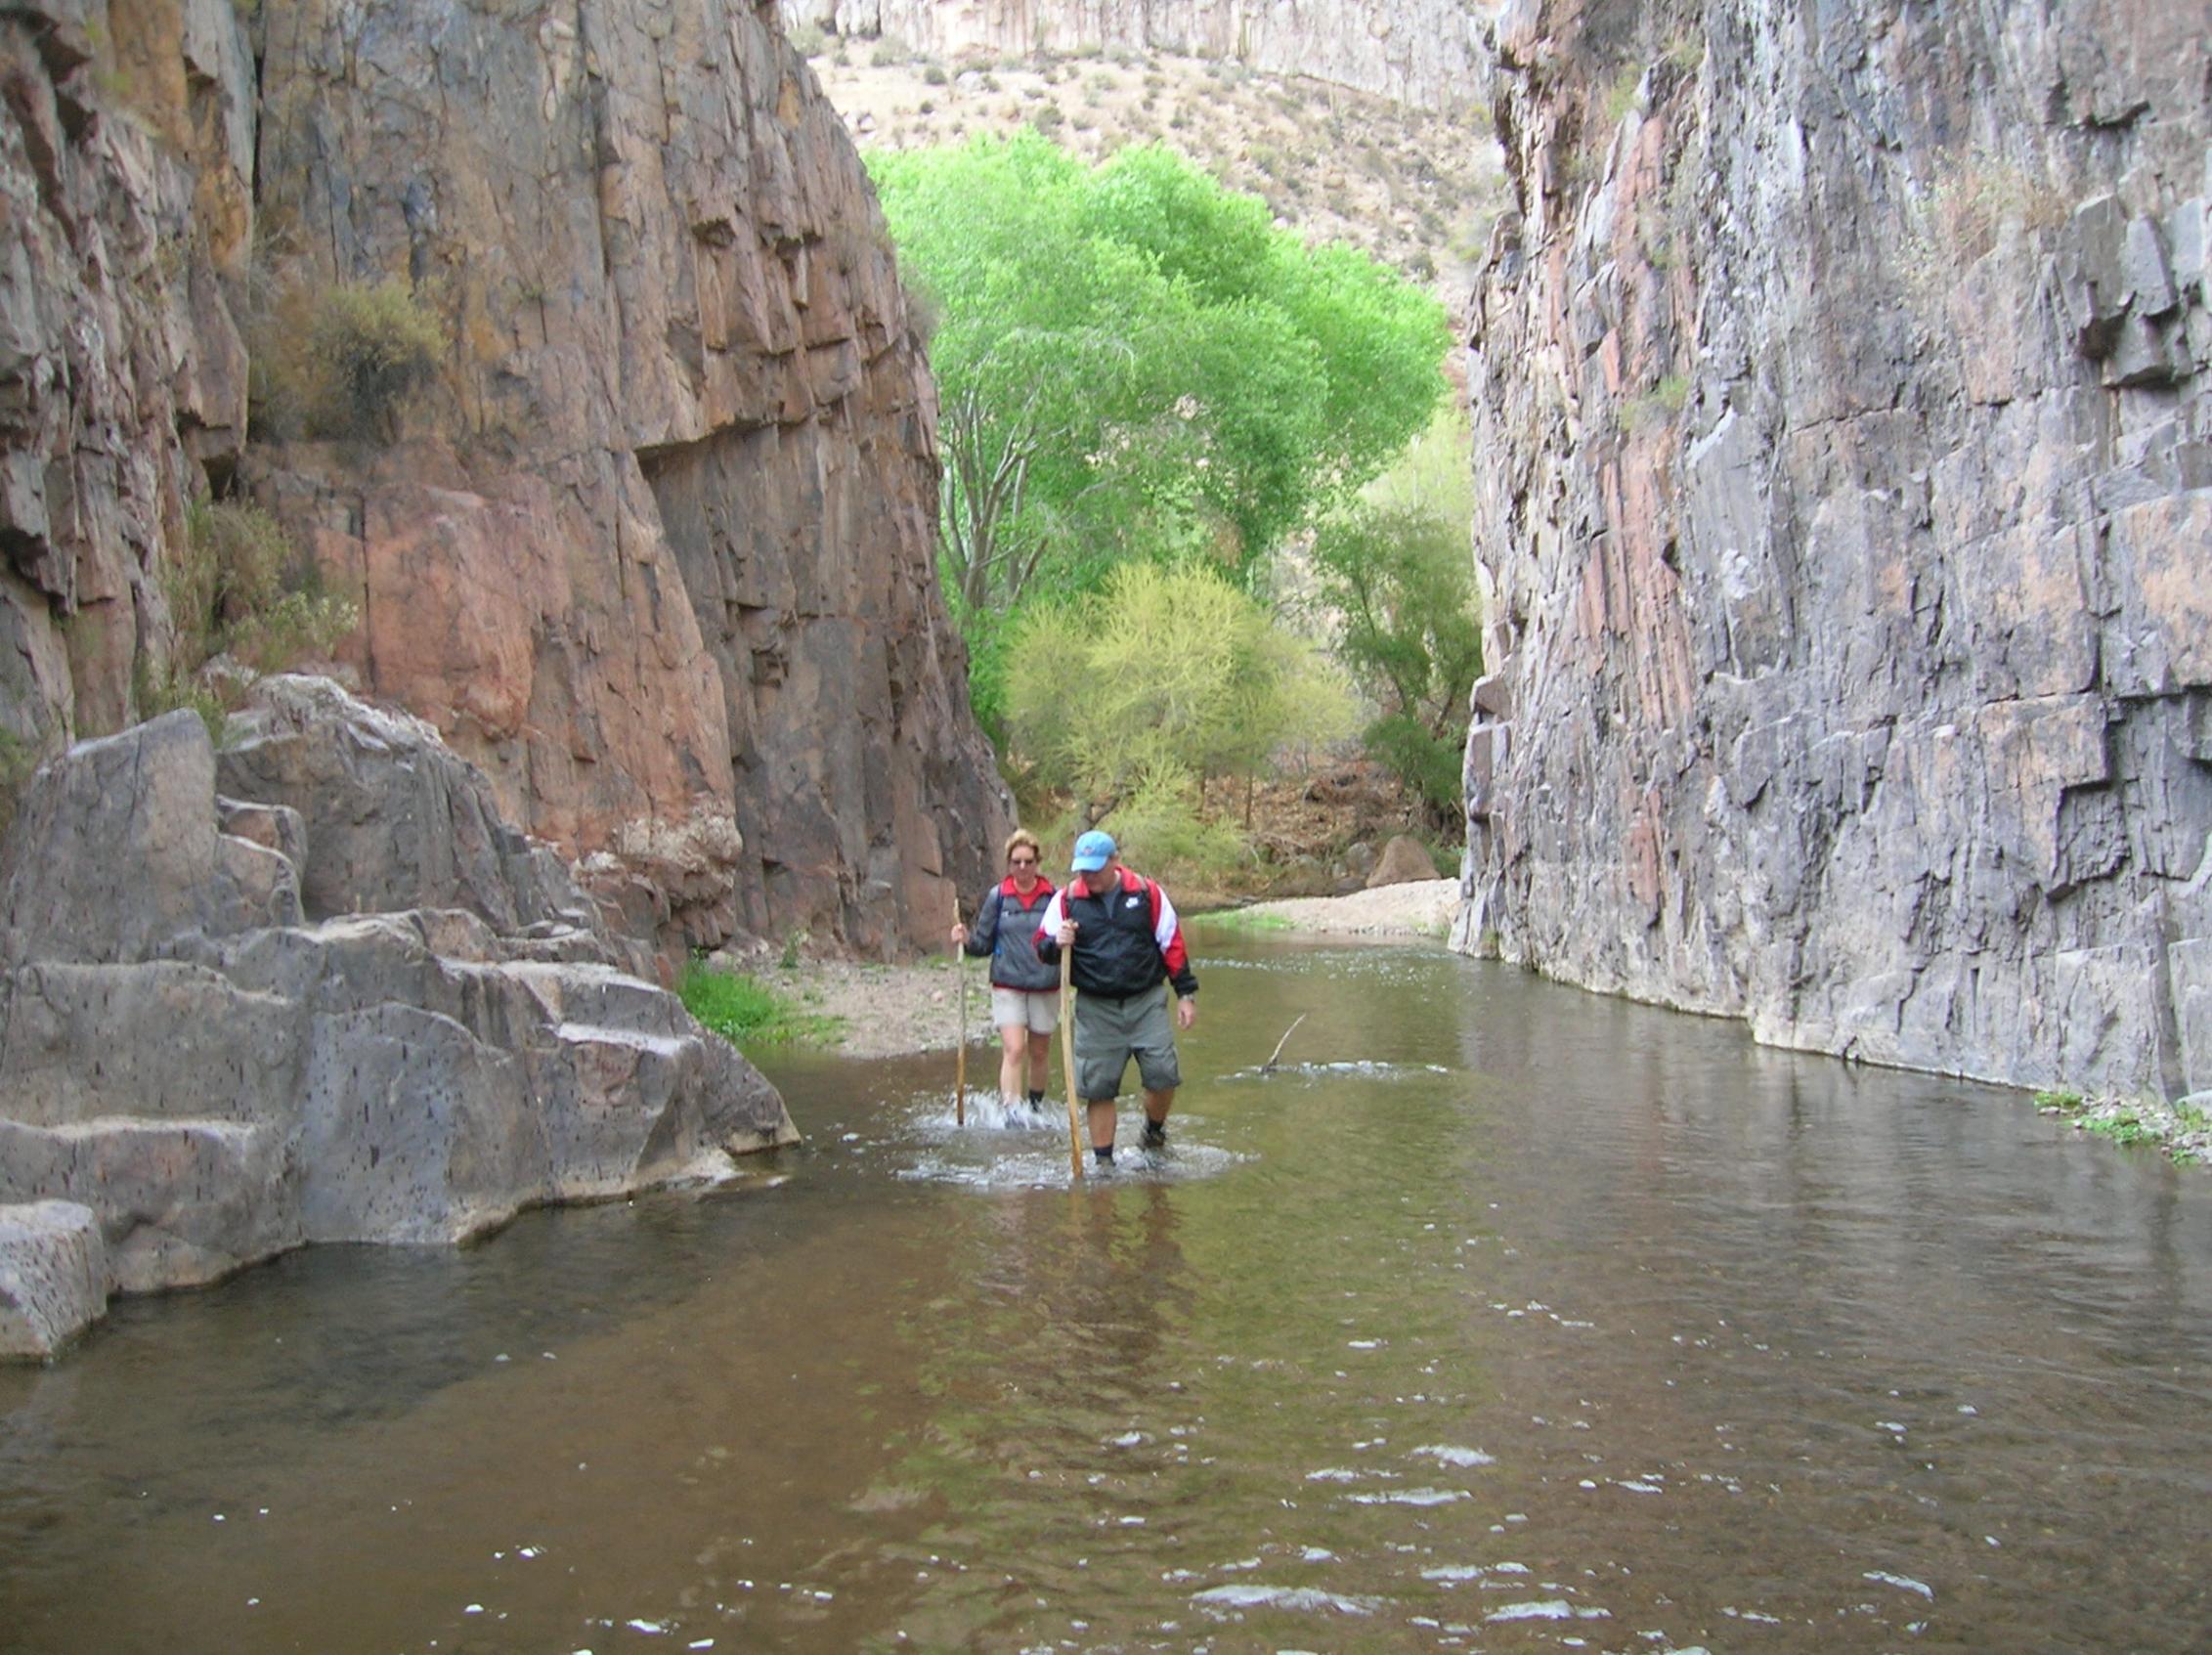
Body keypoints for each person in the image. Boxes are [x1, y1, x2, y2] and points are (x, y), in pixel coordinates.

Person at [1034, 830, 1197, 1163]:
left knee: (1163, 1074)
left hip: (1146, 1000)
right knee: (1099, 1087)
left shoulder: (1147, 893)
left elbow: (1172, 943)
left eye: (1095, 868)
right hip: (1096, 1007)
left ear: (1115, 862)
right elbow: (1041, 947)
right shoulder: (1066, 901)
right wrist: (1057, 943)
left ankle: (1153, 1131)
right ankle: (1104, 1163)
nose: (1088, 876)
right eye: (1083, 869)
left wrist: (1185, 993)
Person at [950, 828, 1061, 1111]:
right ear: (1009, 864)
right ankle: (1011, 1112)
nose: (1022, 867)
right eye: (1016, 862)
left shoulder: (1054, 898)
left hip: (1045, 983)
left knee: (1039, 1051)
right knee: (1014, 1049)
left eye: (1028, 861)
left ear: (1037, 862)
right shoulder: (998, 897)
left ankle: (1034, 1108)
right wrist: (966, 939)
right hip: (1007, 984)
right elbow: (982, 944)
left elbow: (1062, 943)